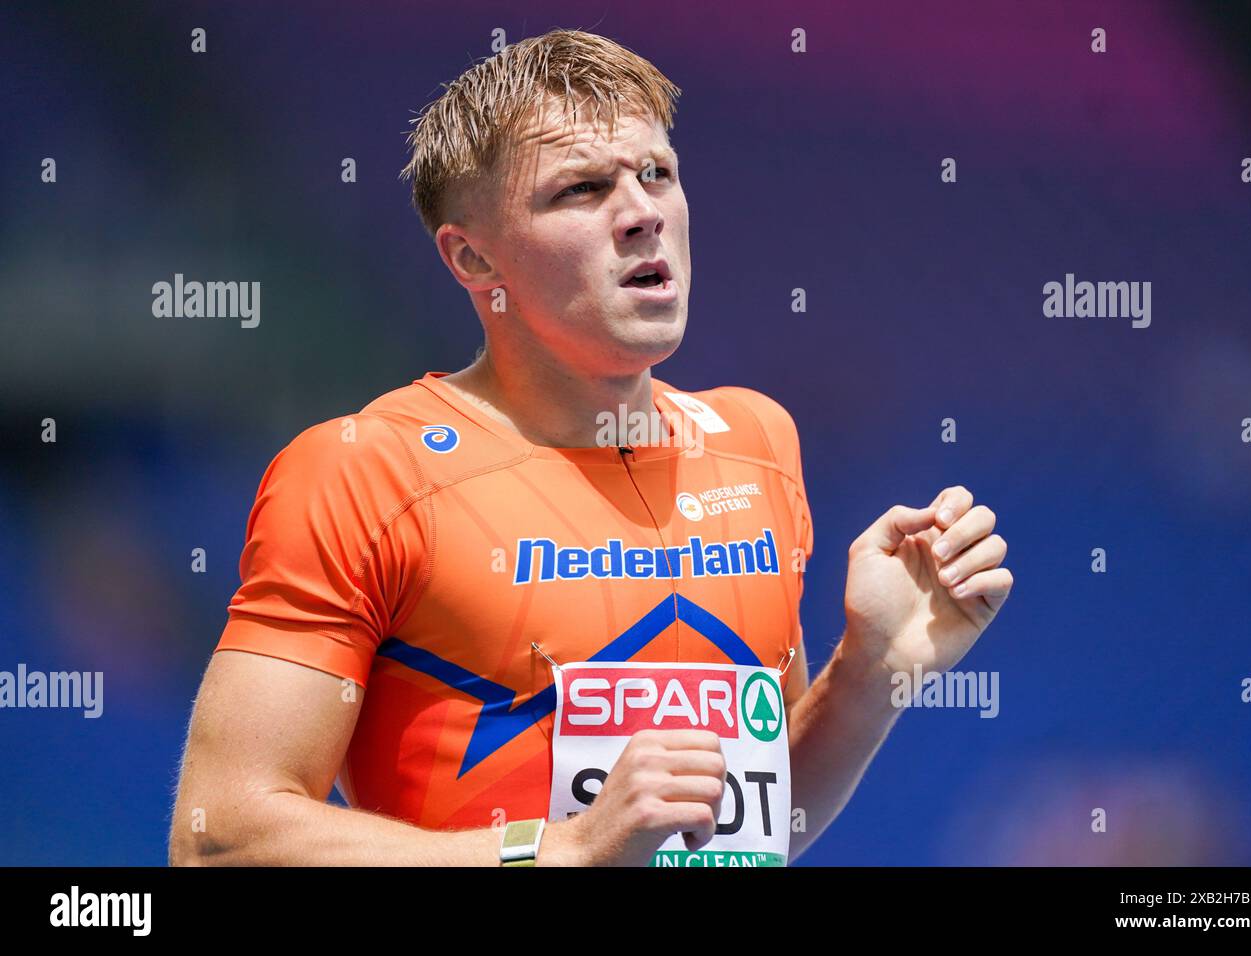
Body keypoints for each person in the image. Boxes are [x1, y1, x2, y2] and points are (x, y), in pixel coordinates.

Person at [169, 29, 1012, 867]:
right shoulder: (364, 471)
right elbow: (219, 838)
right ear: (471, 256)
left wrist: (868, 675)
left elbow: (738, 834)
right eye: (581, 189)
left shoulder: (757, 441)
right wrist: (562, 853)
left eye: (657, 174)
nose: (642, 212)